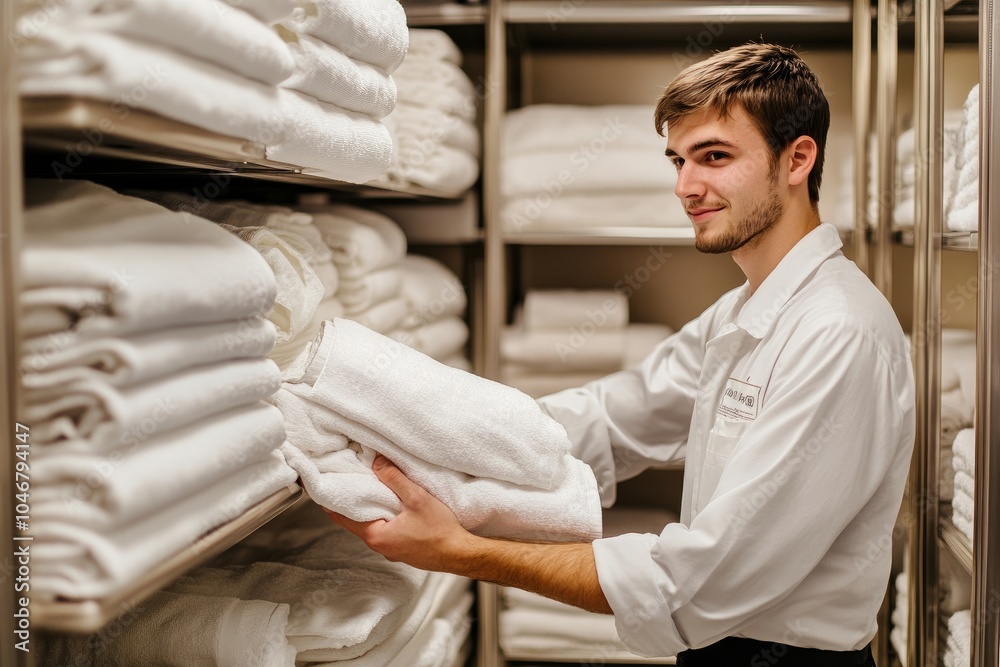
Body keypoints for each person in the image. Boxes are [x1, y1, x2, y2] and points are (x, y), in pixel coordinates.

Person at [328, 43, 915, 666]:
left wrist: (462, 550)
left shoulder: (838, 333)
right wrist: (416, 441)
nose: (687, 187)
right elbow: (612, 418)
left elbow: (698, 583)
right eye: (678, 161)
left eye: (714, 157)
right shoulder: (746, 309)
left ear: (798, 159)